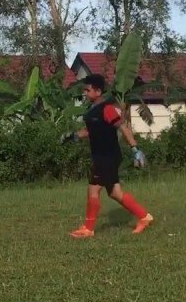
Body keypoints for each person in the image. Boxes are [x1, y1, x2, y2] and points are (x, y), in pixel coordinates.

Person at [62, 74, 153, 237]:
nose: (85, 92)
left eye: (87, 89)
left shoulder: (107, 109)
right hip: (100, 156)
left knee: (93, 189)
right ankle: (144, 217)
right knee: (114, 193)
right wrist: (74, 136)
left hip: (108, 156)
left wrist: (135, 150)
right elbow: (91, 131)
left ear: (98, 91)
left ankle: (88, 229)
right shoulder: (92, 111)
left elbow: (123, 128)